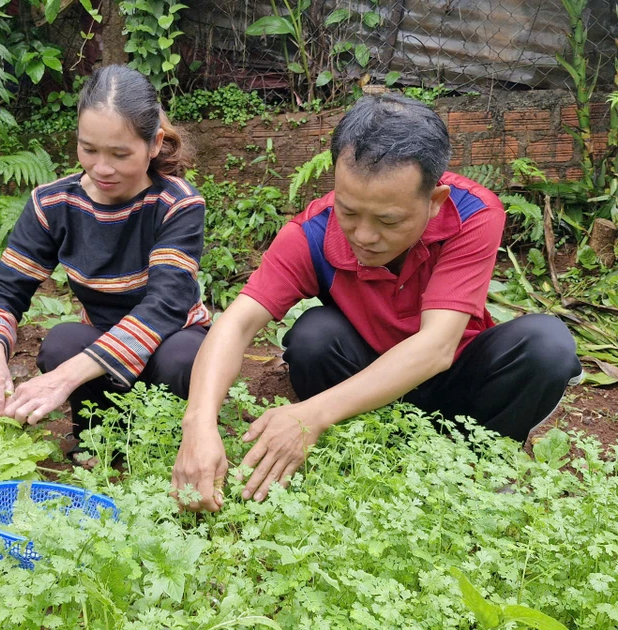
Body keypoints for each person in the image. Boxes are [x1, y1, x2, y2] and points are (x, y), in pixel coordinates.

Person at [171, 93, 582, 511]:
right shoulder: (311, 233)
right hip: (364, 387)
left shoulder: (472, 213)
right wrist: (198, 424)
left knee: (546, 344)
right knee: (314, 336)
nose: (364, 236)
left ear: (434, 202)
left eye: (388, 220)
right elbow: (236, 323)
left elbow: (437, 346)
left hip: (459, 380)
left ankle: (486, 466)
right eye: (349, 212)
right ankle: (372, 452)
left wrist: (308, 415)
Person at [0, 64, 211, 435]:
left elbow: (164, 307)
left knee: (184, 358)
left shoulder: (176, 204)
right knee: (62, 342)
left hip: (171, 341)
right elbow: (6, 289)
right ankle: (101, 439)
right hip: (99, 344)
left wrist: (63, 379)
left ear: (155, 144)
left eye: (119, 154)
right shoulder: (53, 204)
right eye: (88, 149)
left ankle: (167, 438)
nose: (102, 168)